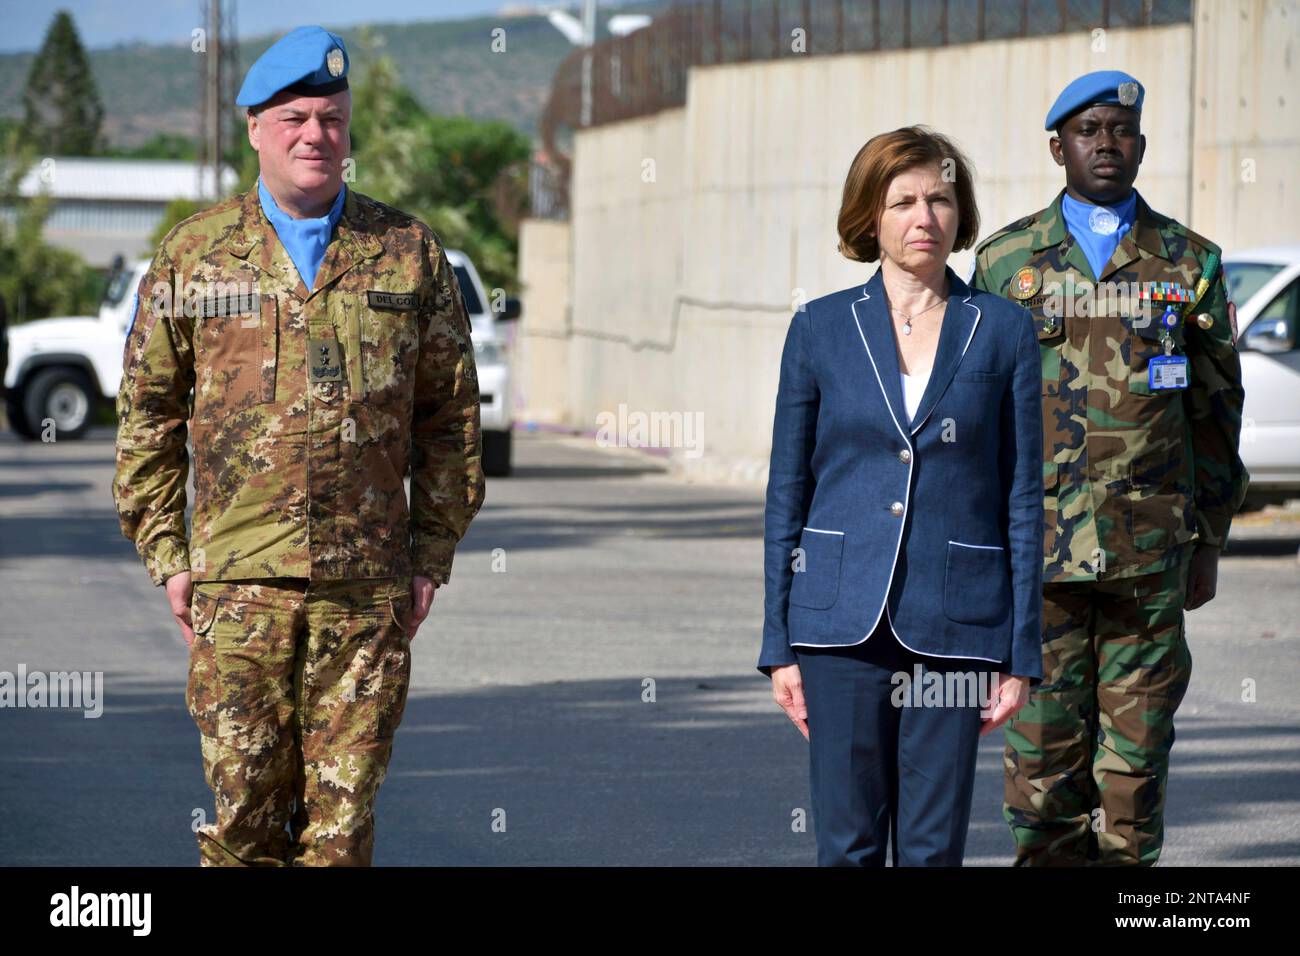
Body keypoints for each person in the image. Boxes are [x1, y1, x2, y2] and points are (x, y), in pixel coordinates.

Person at [112, 25, 484, 866]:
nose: (316, 135)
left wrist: (430, 553)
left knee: (340, 835)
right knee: (243, 821)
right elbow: (147, 419)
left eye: (332, 118)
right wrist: (169, 555)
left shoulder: (406, 253)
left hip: (366, 591)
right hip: (238, 588)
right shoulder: (195, 255)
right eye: (295, 118)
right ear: (254, 127)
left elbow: (450, 419)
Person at [971, 70, 1249, 866]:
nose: (1105, 144)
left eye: (1119, 131)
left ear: (1141, 145)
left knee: (1132, 773)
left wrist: (1210, 540)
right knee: (1043, 773)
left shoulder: (1188, 261)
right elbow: (978, 420)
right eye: (1088, 131)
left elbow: (1216, 411)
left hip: (1148, 560)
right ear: (1057, 146)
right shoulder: (1005, 263)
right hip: (1040, 563)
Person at [759, 126, 1044, 866]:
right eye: (905, 201)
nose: (925, 217)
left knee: (930, 849)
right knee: (847, 845)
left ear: (961, 213)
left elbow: (1021, 495)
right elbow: (788, 491)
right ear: (870, 219)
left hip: (956, 627)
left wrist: (1020, 654)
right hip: (836, 627)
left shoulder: (1004, 330)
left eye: (942, 199)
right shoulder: (819, 327)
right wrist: (777, 645)